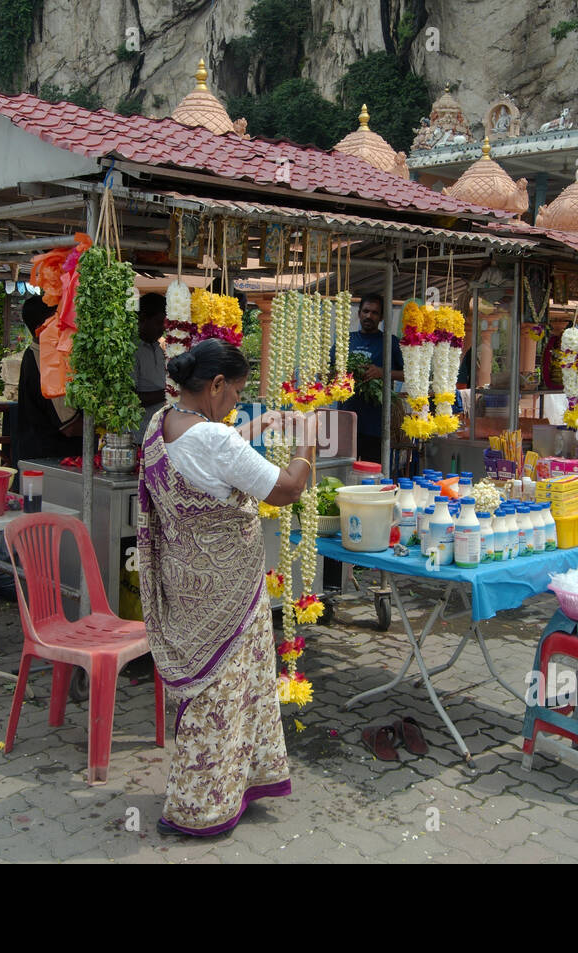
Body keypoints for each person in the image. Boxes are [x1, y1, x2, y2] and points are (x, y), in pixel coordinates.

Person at [136, 339, 316, 836]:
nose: (237, 402)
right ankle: (198, 808)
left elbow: (206, 451)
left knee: (234, 688)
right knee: (223, 695)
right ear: (215, 385)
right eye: (235, 393)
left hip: (186, 584)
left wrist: (250, 430)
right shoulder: (215, 441)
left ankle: (239, 783)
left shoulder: (161, 422)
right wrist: (307, 447)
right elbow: (286, 488)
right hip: (227, 591)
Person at [12, 295, 83, 466]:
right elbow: (70, 427)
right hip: (51, 459)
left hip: (45, 456)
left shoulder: (40, 354)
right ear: (40, 328)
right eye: (57, 320)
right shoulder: (45, 361)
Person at [342, 293, 404, 463]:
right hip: (346, 421)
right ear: (359, 313)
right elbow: (328, 370)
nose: (369, 316)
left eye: (375, 312)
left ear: (382, 317)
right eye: (366, 311)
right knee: (343, 473)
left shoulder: (390, 342)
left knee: (372, 476)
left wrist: (383, 373)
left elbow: (410, 375)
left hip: (376, 425)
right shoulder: (346, 340)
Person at [133, 292, 167, 439]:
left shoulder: (158, 347)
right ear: (143, 319)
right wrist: (170, 393)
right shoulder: (132, 350)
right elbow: (131, 399)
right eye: (159, 322)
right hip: (138, 433)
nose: (162, 329)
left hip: (157, 430)